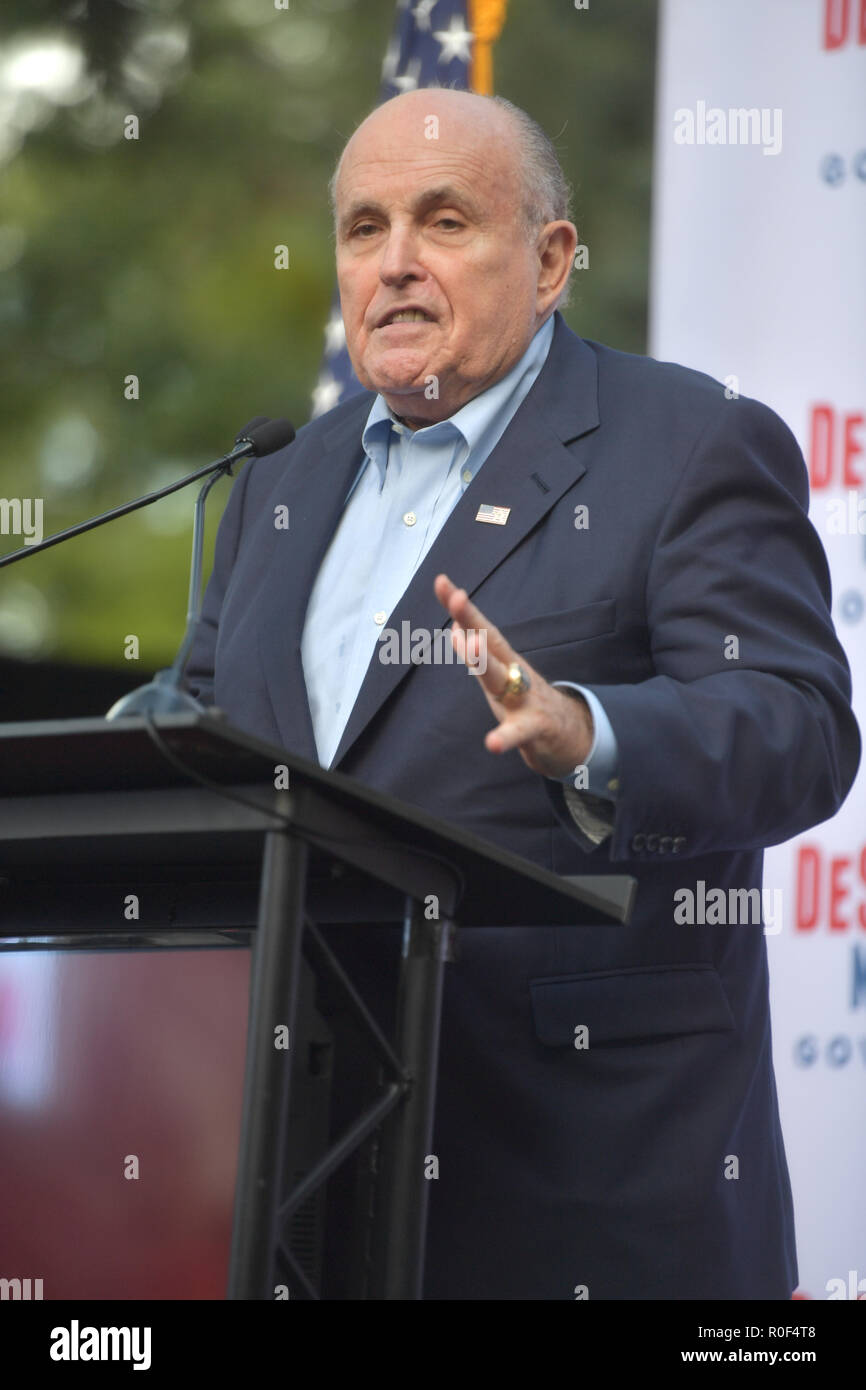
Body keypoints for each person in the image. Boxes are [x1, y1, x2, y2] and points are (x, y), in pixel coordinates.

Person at [184, 88, 860, 1299]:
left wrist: (589, 734)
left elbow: (797, 727)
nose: (392, 265)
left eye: (443, 222)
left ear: (549, 259)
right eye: (362, 228)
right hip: (301, 1182)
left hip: (585, 1180)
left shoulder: (688, 442)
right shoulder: (281, 475)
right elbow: (202, 737)